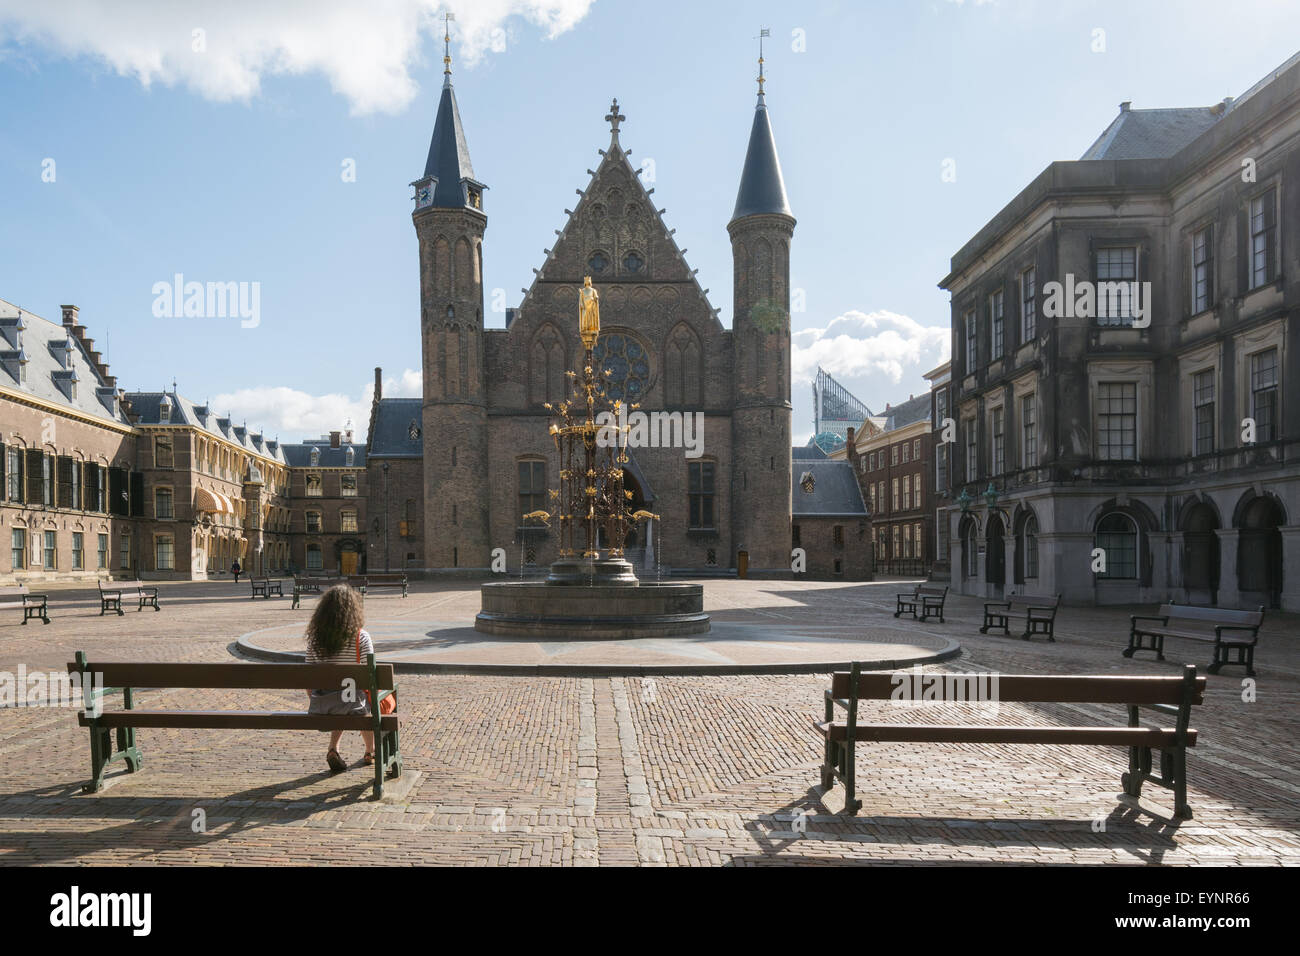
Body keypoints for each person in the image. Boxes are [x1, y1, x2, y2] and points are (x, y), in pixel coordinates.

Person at [304, 584, 374, 772]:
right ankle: (370, 751)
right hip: (352, 703)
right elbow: (371, 676)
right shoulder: (361, 637)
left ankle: (333, 748)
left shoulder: (315, 640)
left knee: (339, 697)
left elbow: (308, 679)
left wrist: (315, 698)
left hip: (323, 704)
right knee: (356, 698)